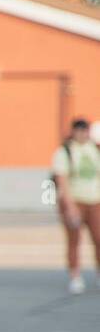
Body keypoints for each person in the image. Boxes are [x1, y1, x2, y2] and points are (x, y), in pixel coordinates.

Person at [51, 117, 100, 294]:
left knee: (98, 238)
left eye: (84, 130)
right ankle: (75, 276)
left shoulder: (94, 149)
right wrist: (70, 206)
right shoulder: (65, 151)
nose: (82, 134)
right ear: (73, 132)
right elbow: (62, 180)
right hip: (75, 200)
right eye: (78, 130)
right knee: (74, 239)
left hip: (95, 200)